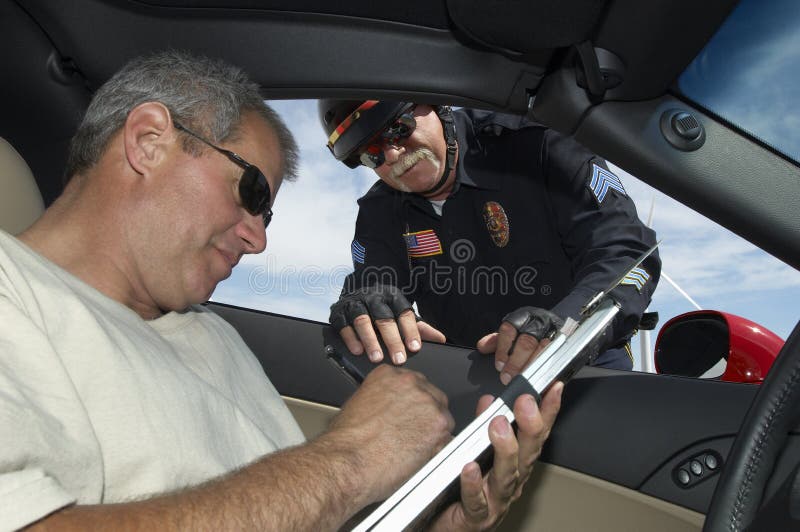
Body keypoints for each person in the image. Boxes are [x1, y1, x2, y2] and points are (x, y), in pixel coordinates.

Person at [0, 51, 562, 531]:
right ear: (148, 142)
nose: (258, 239)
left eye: (267, 213)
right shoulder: (15, 295)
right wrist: (350, 459)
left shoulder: (214, 337)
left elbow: (291, 509)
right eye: (250, 191)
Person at [319, 100, 661, 378]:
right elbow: (375, 286)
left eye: (398, 129)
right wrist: (365, 303)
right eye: (372, 153)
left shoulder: (540, 147)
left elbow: (627, 254)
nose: (392, 156)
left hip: (582, 362)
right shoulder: (380, 210)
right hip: (470, 378)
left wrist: (567, 328)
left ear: (436, 106)